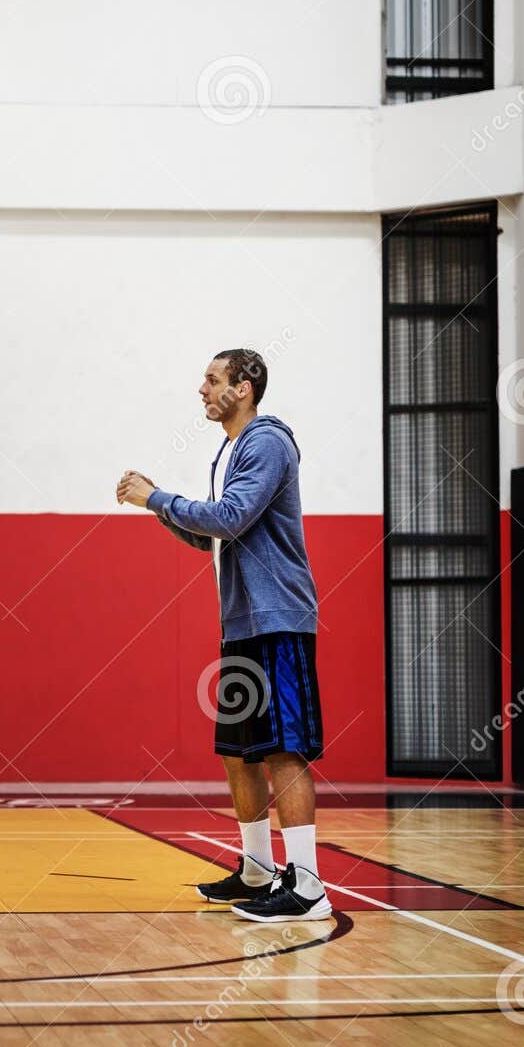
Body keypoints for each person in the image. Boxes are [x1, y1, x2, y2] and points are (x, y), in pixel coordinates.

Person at [117, 349, 330, 922]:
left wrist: (158, 499)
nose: (202, 389)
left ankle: (308, 889)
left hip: (277, 620)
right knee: (240, 754)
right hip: (242, 623)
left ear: (245, 386)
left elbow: (230, 517)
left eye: (212, 379)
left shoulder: (266, 442)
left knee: (283, 751)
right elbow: (215, 537)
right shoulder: (231, 450)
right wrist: (162, 509)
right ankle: (258, 869)